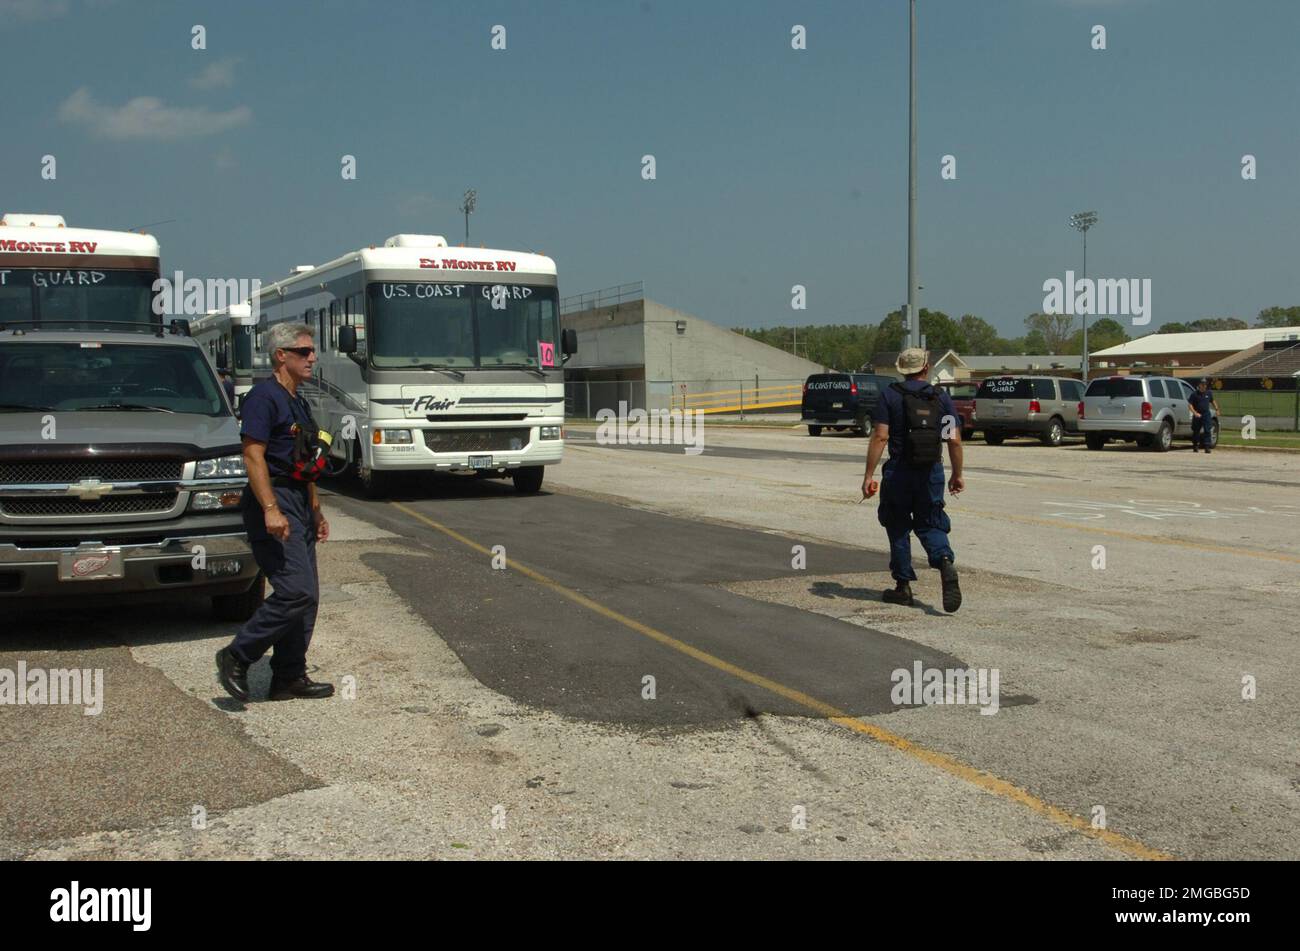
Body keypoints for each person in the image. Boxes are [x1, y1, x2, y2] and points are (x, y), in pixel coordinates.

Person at [216, 323, 334, 701]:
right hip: (275, 499)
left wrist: (315, 509)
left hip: (299, 500)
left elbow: (308, 459)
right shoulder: (262, 398)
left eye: (312, 351)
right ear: (281, 355)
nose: (312, 357)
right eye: (304, 351)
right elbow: (253, 455)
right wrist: (270, 508)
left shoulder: (297, 398)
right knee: (294, 589)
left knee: (308, 596)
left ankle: (288, 676)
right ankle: (237, 654)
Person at [861, 348, 964, 612]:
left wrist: (869, 475)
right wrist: (957, 474)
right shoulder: (940, 397)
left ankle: (903, 586)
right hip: (931, 471)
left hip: (899, 471)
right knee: (930, 521)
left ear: (901, 369)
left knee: (897, 524)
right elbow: (953, 439)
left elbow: (880, 436)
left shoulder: (889, 395)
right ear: (926, 368)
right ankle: (943, 561)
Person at [1189, 377, 1220, 454]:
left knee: (1207, 430)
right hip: (1197, 414)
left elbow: (1213, 401)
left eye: (1205, 384)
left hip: (1206, 414)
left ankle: (1207, 446)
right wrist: (1195, 413)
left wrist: (1217, 409)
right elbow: (1190, 405)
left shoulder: (1208, 393)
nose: (1204, 386)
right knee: (1196, 430)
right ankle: (1195, 445)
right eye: (1202, 384)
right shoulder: (1194, 394)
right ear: (1199, 385)